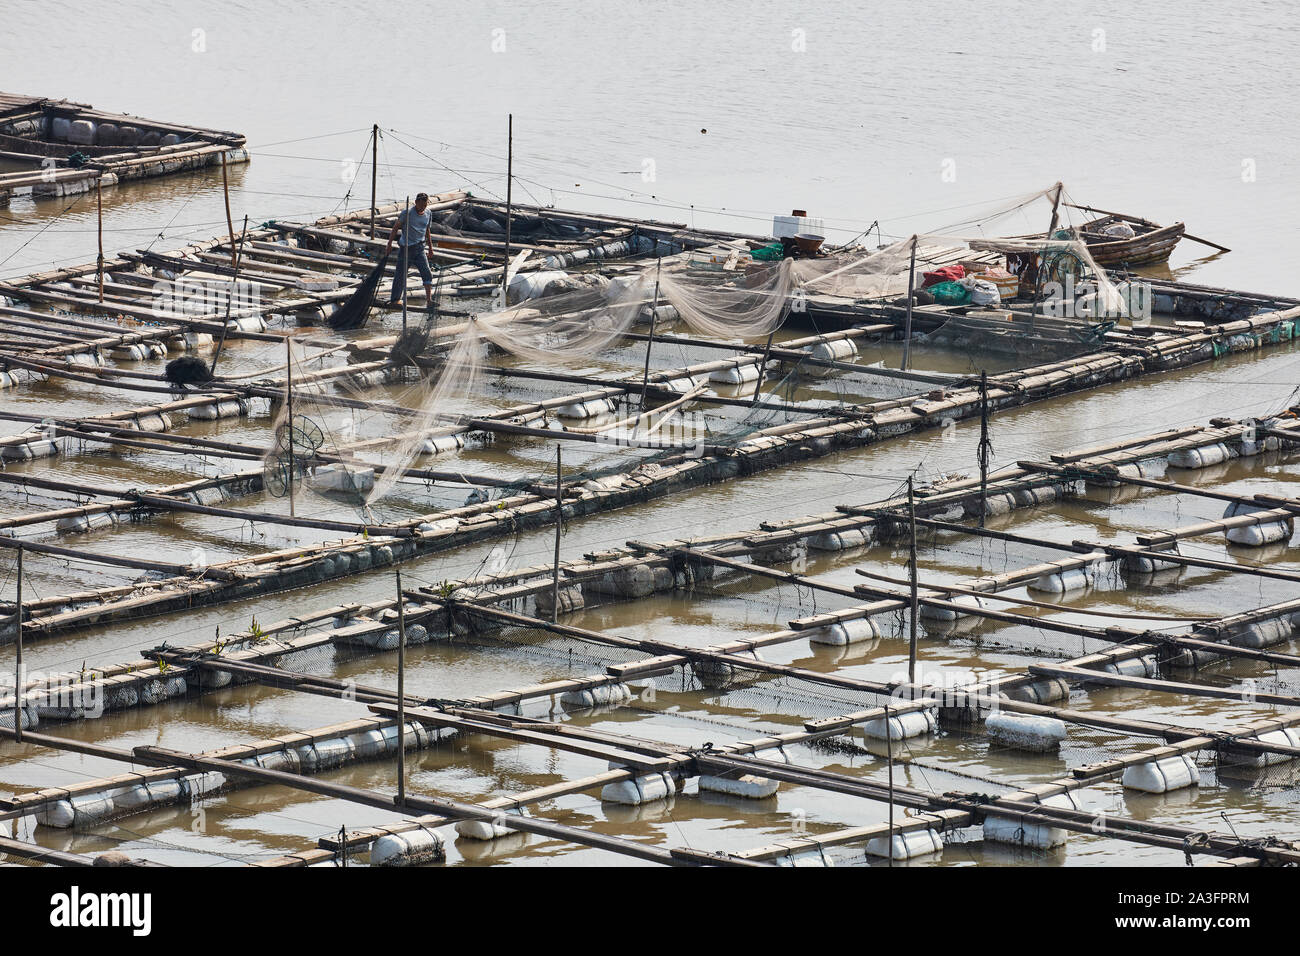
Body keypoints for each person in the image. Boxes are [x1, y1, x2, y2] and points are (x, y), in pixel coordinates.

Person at [385, 192, 437, 309]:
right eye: (421, 205)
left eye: (425, 205)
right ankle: (395, 300)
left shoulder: (428, 213)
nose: (423, 207)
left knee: (427, 273)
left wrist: (431, 248)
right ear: (416, 203)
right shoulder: (407, 213)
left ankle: (429, 300)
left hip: (419, 248)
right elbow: (395, 228)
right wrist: (389, 244)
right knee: (400, 275)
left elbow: (427, 230)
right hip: (406, 249)